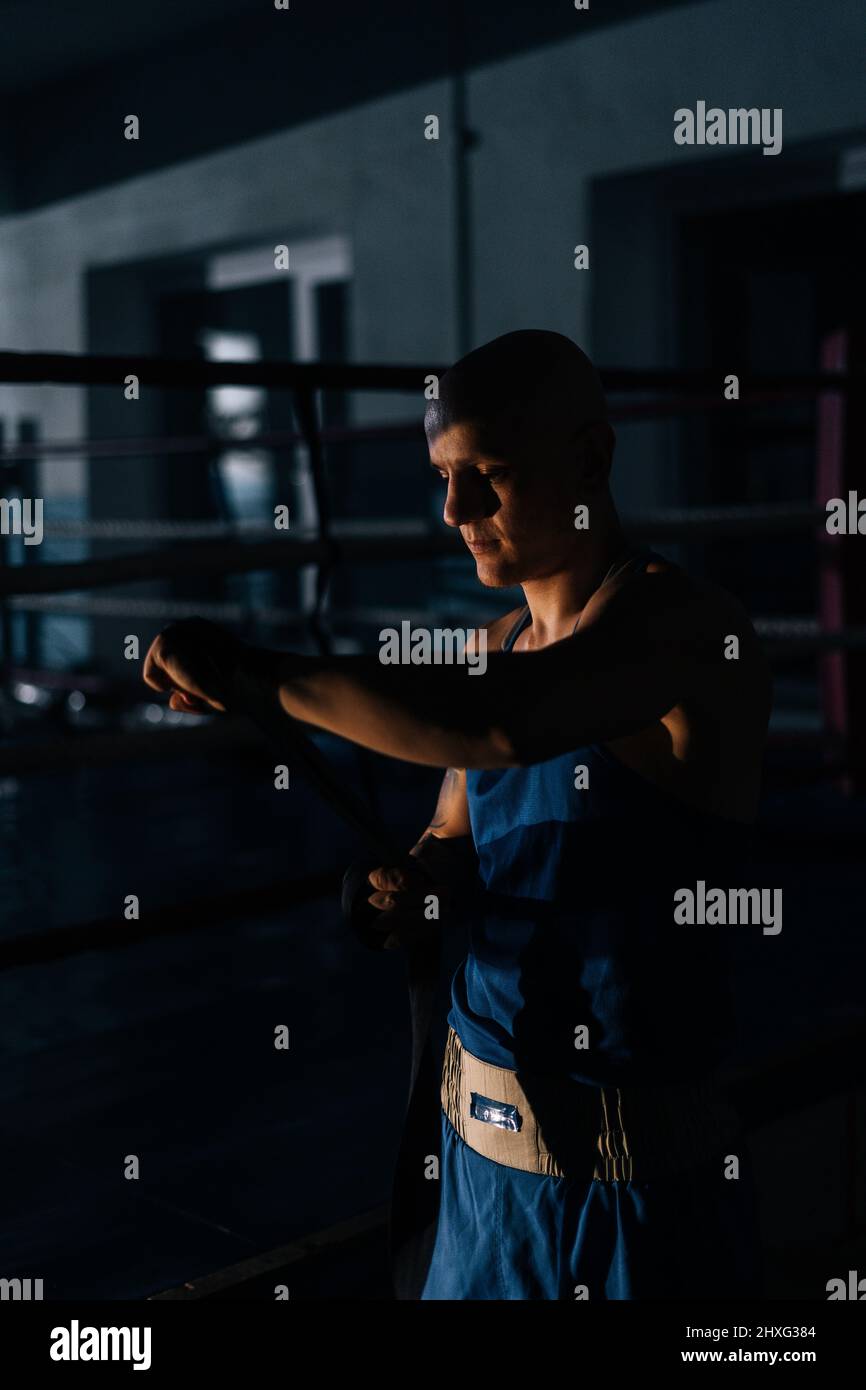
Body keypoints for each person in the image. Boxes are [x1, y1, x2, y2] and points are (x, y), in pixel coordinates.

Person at [143, 329, 772, 1300]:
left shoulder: (685, 628)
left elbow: (497, 725)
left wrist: (258, 675)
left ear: (590, 458)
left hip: (629, 1194)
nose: (455, 510)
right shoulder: (494, 640)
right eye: (442, 475)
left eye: (489, 473)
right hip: (478, 1172)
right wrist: (409, 887)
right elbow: (453, 835)